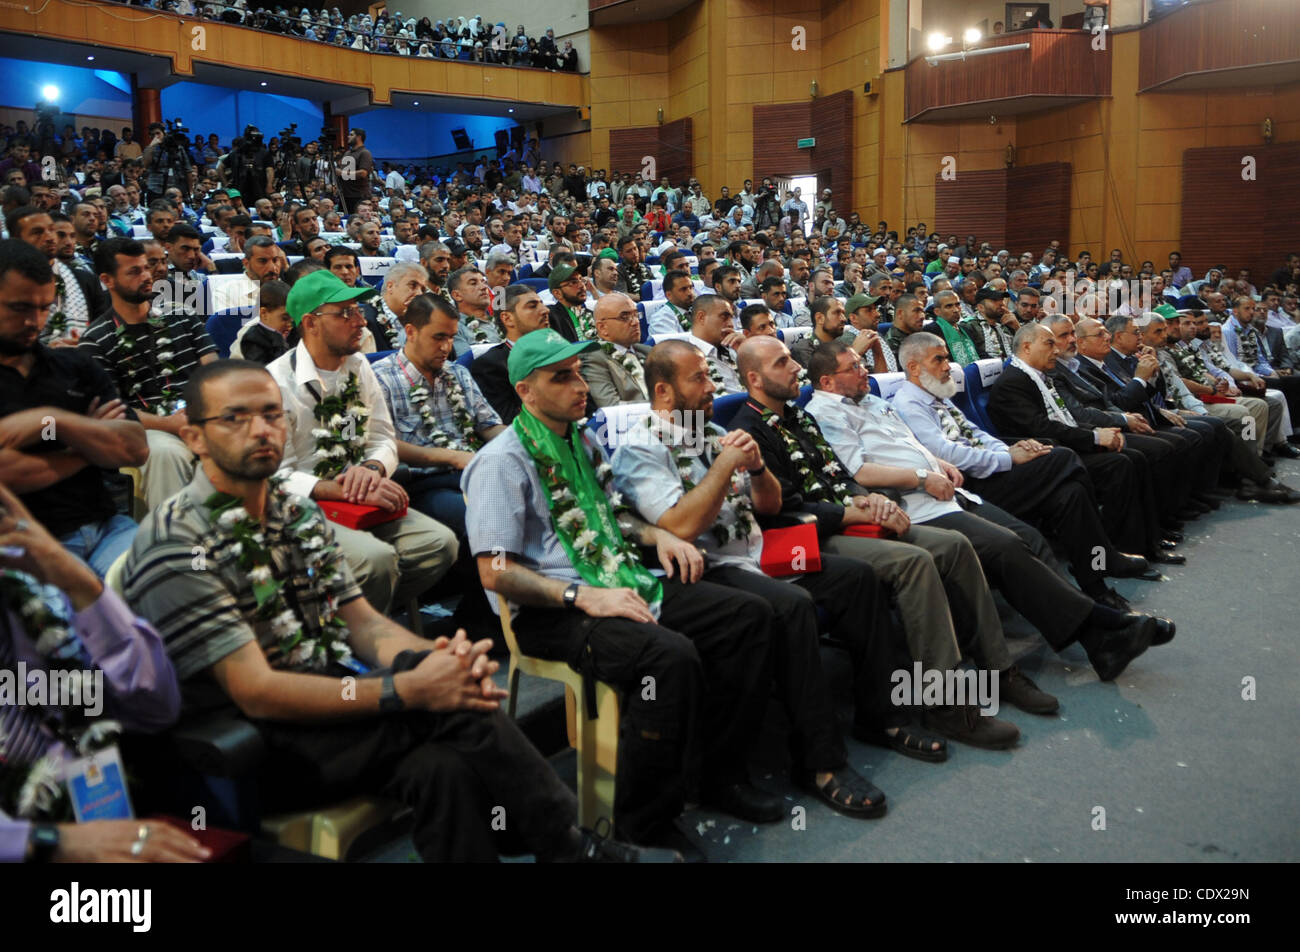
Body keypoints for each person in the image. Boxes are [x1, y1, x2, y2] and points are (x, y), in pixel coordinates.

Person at [122, 359, 671, 863]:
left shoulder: (290, 512)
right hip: (244, 746)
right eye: (234, 419)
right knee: (457, 708)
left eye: (272, 414)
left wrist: (435, 657)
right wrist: (410, 690)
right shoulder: (179, 540)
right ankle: (574, 850)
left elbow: (361, 622)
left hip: (326, 705)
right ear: (192, 436)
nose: (261, 430)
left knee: (444, 768)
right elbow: (254, 690)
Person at [463, 329, 778, 853]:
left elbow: (616, 517)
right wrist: (580, 598)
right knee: (667, 658)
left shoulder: (580, 438)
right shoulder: (502, 461)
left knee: (748, 616)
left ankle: (719, 777)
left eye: (578, 372)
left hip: (616, 575)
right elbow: (494, 572)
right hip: (552, 609)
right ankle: (643, 821)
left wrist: (657, 536)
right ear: (525, 391)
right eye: (559, 377)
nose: (578, 385)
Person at [611, 340, 896, 807]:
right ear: (664, 392)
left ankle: (883, 715)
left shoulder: (710, 430)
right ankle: (821, 763)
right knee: (793, 607)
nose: (711, 387)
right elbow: (680, 526)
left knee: (856, 577)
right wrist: (725, 466)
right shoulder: (642, 445)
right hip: (708, 567)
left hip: (760, 551)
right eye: (698, 379)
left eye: (709, 375)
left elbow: (769, 506)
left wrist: (759, 468)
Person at [731, 335, 1038, 747]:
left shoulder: (797, 418)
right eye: (782, 362)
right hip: (799, 537)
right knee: (914, 561)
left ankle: (997, 670)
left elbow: (838, 475)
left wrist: (870, 499)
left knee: (954, 546)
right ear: (753, 377)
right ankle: (944, 703)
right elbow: (782, 507)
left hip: (845, 517)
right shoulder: (748, 430)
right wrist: (852, 511)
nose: (795, 368)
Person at [807, 338, 1172, 669]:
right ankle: (1102, 621)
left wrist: (941, 465)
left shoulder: (872, 400)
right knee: (1014, 535)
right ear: (827, 382)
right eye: (853, 367)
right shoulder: (827, 413)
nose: (865, 370)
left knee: (1031, 533)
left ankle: (1098, 634)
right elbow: (859, 469)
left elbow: (921, 445)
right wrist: (925, 476)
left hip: (951, 490)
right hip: (917, 504)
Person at [0, 479, 203, 863]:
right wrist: (50, 842)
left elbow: (155, 707)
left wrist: (82, 585)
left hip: (104, 820)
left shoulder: (38, 589)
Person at [265, 270, 458, 614]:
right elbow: (277, 475)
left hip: (361, 498)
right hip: (302, 507)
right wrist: (336, 489)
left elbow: (380, 437)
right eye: (346, 313)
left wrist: (371, 467)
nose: (361, 322)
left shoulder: (357, 367)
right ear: (310, 323)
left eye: (358, 311)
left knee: (439, 544)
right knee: (377, 560)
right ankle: (348, 630)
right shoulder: (275, 382)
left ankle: (354, 616)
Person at [0, 239, 148, 574]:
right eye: (20, 308)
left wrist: (53, 422)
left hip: (109, 529)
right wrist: (89, 446)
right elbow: (7, 473)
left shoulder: (74, 366)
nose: (34, 322)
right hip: (29, 541)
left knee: (170, 584)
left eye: (43, 308)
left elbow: (135, 448)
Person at [78, 238, 217, 510]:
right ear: (108, 280)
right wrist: (171, 424)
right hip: (148, 427)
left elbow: (213, 369)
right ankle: (176, 542)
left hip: (200, 412)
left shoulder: (183, 315)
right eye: (134, 272)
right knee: (166, 453)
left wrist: (203, 411)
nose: (146, 276)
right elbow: (114, 411)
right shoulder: (94, 340)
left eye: (145, 268)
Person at [373, 293, 504, 538]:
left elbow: (489, 426)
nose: (447, 347)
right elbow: (381, 442)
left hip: (473, 472)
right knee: (492, 515)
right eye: (438, 337)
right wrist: (452, 457)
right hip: (423, 483)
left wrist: (524, 439)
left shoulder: (458, 373)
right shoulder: (381, 379)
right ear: (410, 332)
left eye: (452, 337)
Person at [470, 284, 553, 424]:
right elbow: (511, 422)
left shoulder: (558, 350)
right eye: (532, 306)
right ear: (507, 318)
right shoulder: (490, 366)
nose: (546, 310)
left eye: (542, 304)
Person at [581, 292, 652, 407]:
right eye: (624, 317)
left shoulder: (648, 351)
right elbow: (611, 405)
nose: (635, 322)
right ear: (602, 327)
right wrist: (659, 407)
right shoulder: (594, 358)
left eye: (635, 315)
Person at [230, 278, 292, 364]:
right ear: (264, 313)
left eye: (293, 318)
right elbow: (262, 370)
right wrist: (281, 341)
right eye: (284, 318)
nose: (290, 324)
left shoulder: (291, 331)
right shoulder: (251, 338)